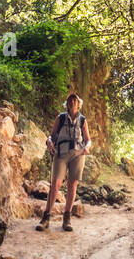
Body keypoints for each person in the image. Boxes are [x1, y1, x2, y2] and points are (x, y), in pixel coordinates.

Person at [36, 93, 92, 232]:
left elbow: (88, 139)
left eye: (75, 100)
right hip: (61, 153)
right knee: (55, 184)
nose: (72, 101)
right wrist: (49, 141)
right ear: (66, 104)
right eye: (70, 100)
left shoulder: (83, 120)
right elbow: (52, 135)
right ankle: (46, 217)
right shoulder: (60, 118)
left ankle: (67, 218)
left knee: (72, 185)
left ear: (79, 104)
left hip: (78, 154)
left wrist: (87, 147)